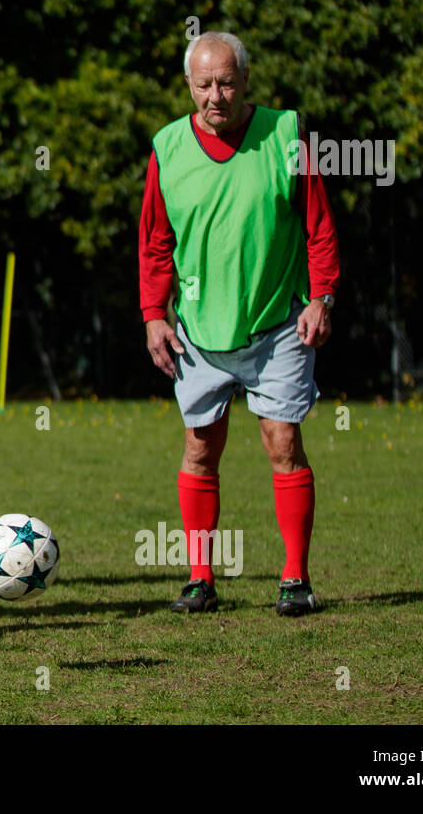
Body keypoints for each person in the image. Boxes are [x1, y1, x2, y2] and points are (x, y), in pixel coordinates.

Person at [138, 30, 340, 616]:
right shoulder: (167, 148)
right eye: (204, 85)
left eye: (226, 82)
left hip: (279, 322)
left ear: (245, 80)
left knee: (283, 440)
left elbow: (320, 225)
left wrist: (320, 296)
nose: (216, 96)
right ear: (188, 86)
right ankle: (200, 580)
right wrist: (154, 315)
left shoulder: (288, 133)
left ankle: (296, 580)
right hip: (199, 330)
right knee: (200, 447)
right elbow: (155, 241)